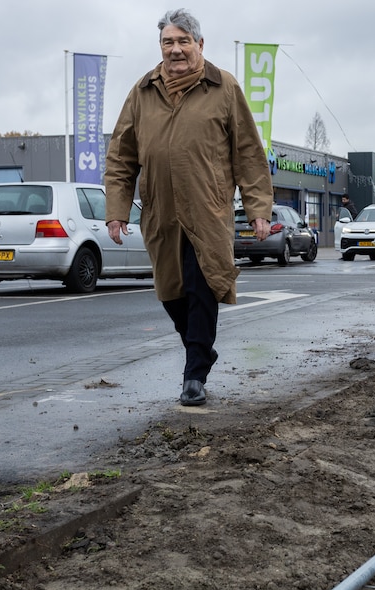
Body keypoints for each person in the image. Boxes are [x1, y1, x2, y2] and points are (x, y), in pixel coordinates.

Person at [104, 8, 273, 407]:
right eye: (168, 42)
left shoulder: (223, 87)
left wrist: (258, 208)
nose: (176, 50)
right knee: (171, 292)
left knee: (203, 287)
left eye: (184, 41)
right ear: (160, 46)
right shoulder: (142, 92)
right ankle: (201, 350)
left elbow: (248, 153)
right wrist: (116, 209)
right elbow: (121, 156)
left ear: (200, 45)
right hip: (160, 211)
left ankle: (194, 373)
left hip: (207, 209)